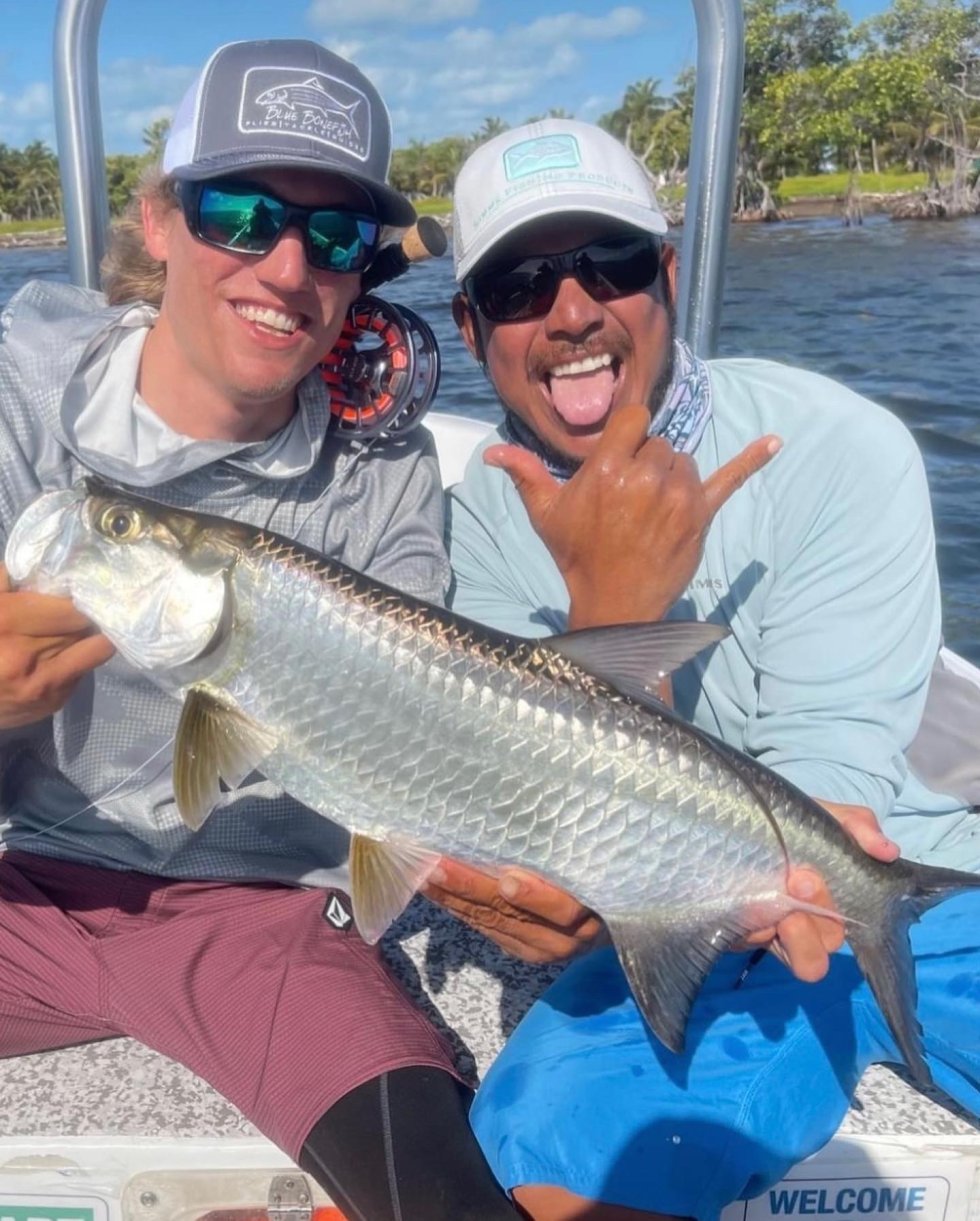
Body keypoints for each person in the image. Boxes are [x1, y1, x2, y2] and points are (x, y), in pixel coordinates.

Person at [0, 38, 525, 1221]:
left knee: (439, 1198)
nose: (286, 267)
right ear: (160, 220)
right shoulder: (18, 404)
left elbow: (411, 744)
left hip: (260, 917)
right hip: (22, 879)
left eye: (334, 237)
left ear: (357, 278)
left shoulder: (385, 473)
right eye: (240, 212)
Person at [440, 118, 980, 1221]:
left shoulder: (836, 444)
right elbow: (541, 823)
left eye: (613, 263)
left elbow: (833, 774)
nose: (573, 308)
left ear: (667, 276)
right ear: (468, 327)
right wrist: (612, 606)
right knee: (548, 1157)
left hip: (906, 879)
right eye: (518, 283)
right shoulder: (472, 526)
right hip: (668, 924)